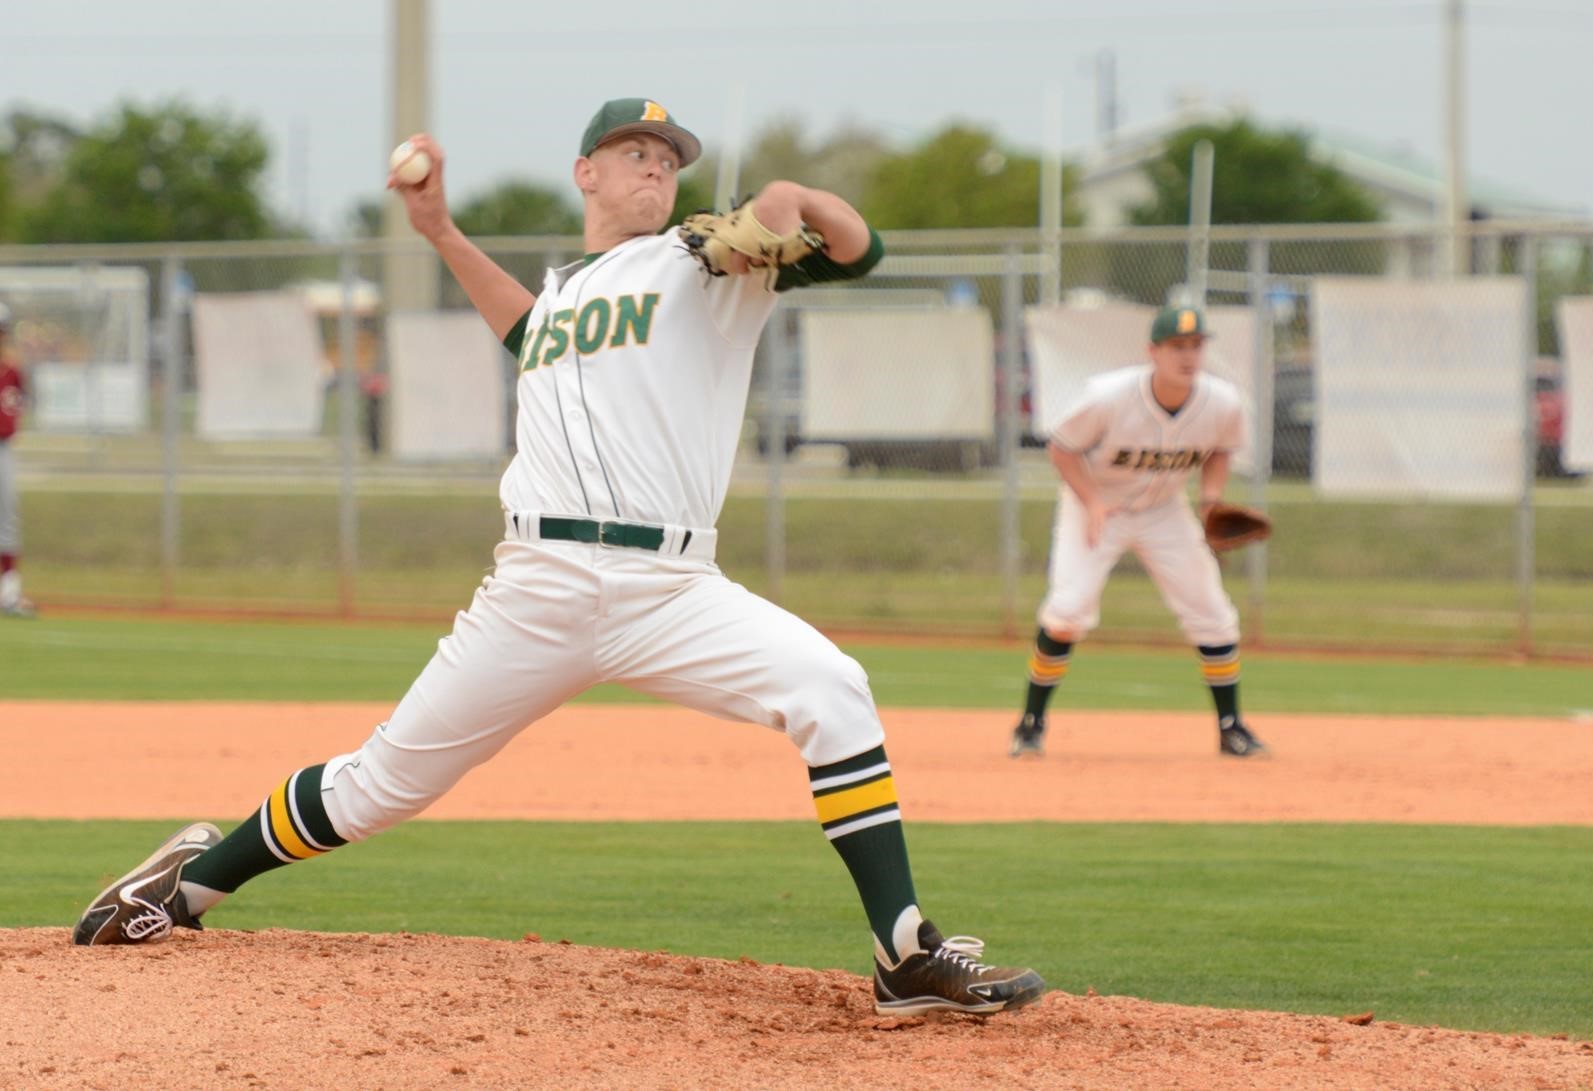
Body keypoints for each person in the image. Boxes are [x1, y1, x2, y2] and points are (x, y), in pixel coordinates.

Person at [72, 98, 1046, 1017]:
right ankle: (192, 879)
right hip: (535, 589)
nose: (654, 172)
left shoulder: (709, 261)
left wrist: (785, 203)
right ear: (585, 172)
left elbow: (857, 249)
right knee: (377, 787)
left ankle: (902, 950)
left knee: (832, 686)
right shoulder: (565, 294)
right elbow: (527, 333)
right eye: (635, 155)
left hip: (670, 588)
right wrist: (442, 234)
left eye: (668, 162)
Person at [1010, 303, 1267, 760]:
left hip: (1164, 510)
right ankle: (1031, 725)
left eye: (1195, 346)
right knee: (1068, 611)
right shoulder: (1108, 396)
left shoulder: (1222, 402)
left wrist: (1210, 500)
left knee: (1211, 610)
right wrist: (1091, 502)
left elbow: (1221, 450)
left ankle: (1231, 728)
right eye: (1176, 346)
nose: (1187, 356)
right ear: (1153, 351)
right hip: (1098, 505)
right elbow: (1063, 449)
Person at [0, 302, 35, 620]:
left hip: (4, 448)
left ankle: (9, 593)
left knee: (7, 519)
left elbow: (22, 400)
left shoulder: (13, 368)